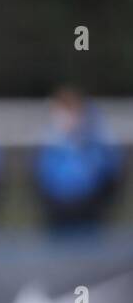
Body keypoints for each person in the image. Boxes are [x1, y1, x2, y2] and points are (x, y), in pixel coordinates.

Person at [34, 87, 123, 234]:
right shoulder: (46, 147)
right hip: (57, 218)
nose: (66, 119)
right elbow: (41, 181)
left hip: (91, 216)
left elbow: (110, 178)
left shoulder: (98, 145)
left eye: (71, 112)